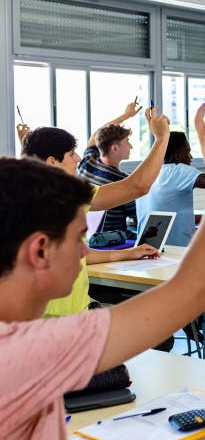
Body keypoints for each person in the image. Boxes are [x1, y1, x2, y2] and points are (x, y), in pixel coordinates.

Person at [0, 104, 205, 440]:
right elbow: (198, 290)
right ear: (40, 250)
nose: (85, 250)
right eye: (79, 238)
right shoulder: (23, 351)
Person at [20, 106, 171, 317]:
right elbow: (139, 186)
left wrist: (127, 253)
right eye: (70, 154)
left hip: (44, 313)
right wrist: (162, 137)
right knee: (156, 326)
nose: (77, 159)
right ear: (52, 161)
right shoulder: (67, 195)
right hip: (63, 318)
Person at [77, 98, 143, 239]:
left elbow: (96, 135)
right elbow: (139, 216)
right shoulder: (124, 182)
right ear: (114, 148)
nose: (131, 146)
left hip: (84, 239)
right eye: (128, 142)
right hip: (112, 244)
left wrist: (126, 115)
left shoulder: (87, 163)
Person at [136, 131, 205, 247]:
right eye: (188, 152)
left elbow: (164, 212)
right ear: (177, 155)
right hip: (176, 252)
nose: (191, 157)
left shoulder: (145, 173)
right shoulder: (177, 171)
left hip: (147, 249)